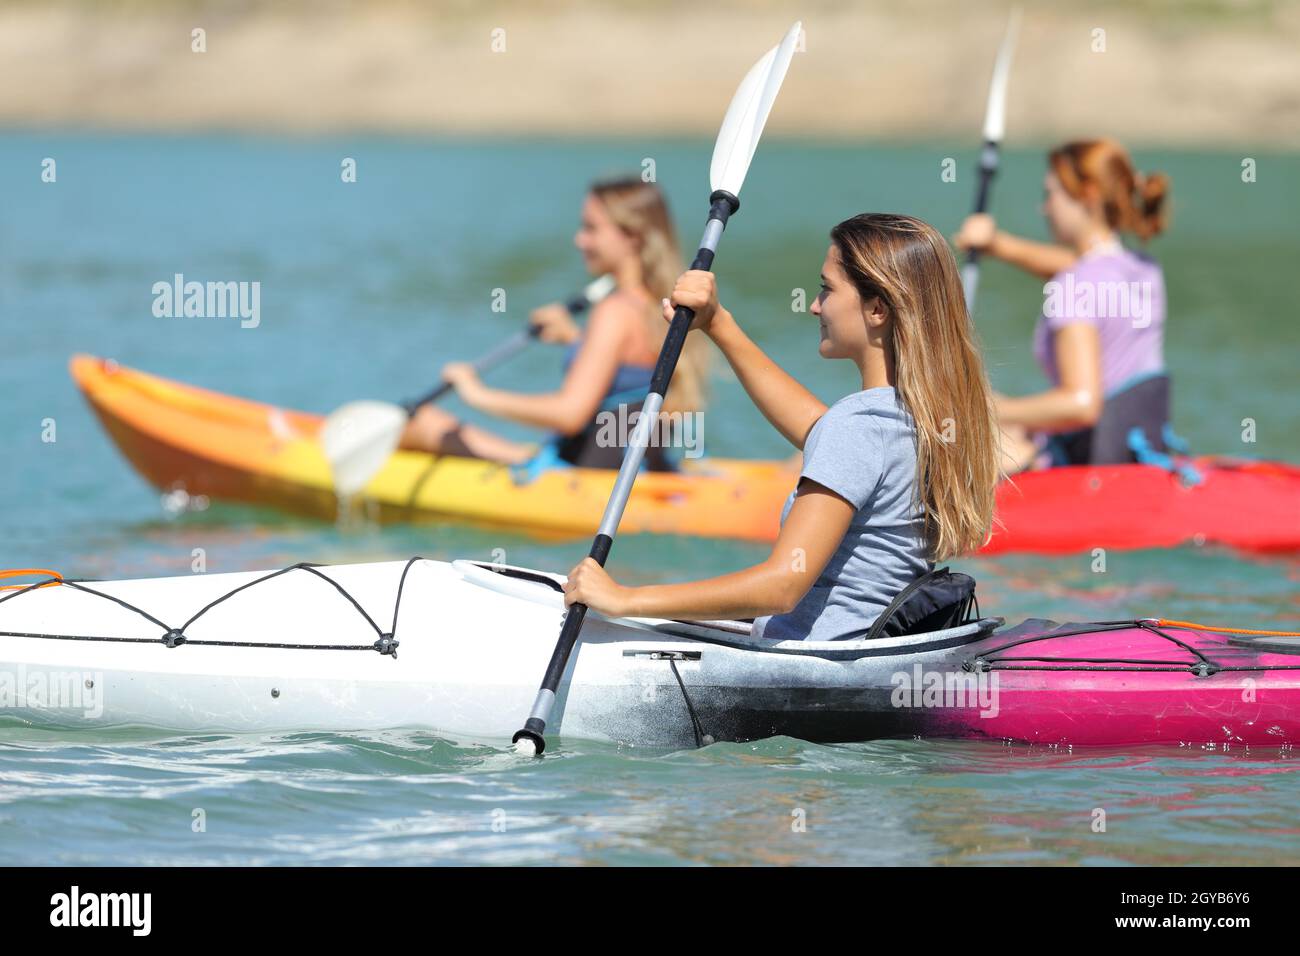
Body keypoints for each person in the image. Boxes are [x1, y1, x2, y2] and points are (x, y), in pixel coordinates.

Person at [563, 214, 1000, 640]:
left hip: (813, 670)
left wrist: (624, 598)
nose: (814, 305)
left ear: (877, 308)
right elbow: (820, 429)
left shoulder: (858, 430)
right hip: (856, 653)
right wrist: (718, 323)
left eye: (827, 289)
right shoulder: (913, 418)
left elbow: (781, 587)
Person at [401, 177, 710, 470]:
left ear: (632, 237)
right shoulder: (663, 308)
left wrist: (477, 393)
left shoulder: (613, 312)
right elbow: (628, 373)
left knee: (418, 423)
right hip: (634, 466)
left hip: (581, 471)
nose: (580, 239)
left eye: (591, 228)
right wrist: (575, 339)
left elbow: (570, 414)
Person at [954, 139, 1171, 472]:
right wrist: (997, 245)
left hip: (1089, 460)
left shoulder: (1075, 286)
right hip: (1136, 448)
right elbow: (1082, 267)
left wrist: (990, 409)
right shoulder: (1144, 269)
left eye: (1050, 194)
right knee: (1011, 426)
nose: (1044, 208)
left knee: (967, 433)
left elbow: (1080, 404)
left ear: (1088, 195)